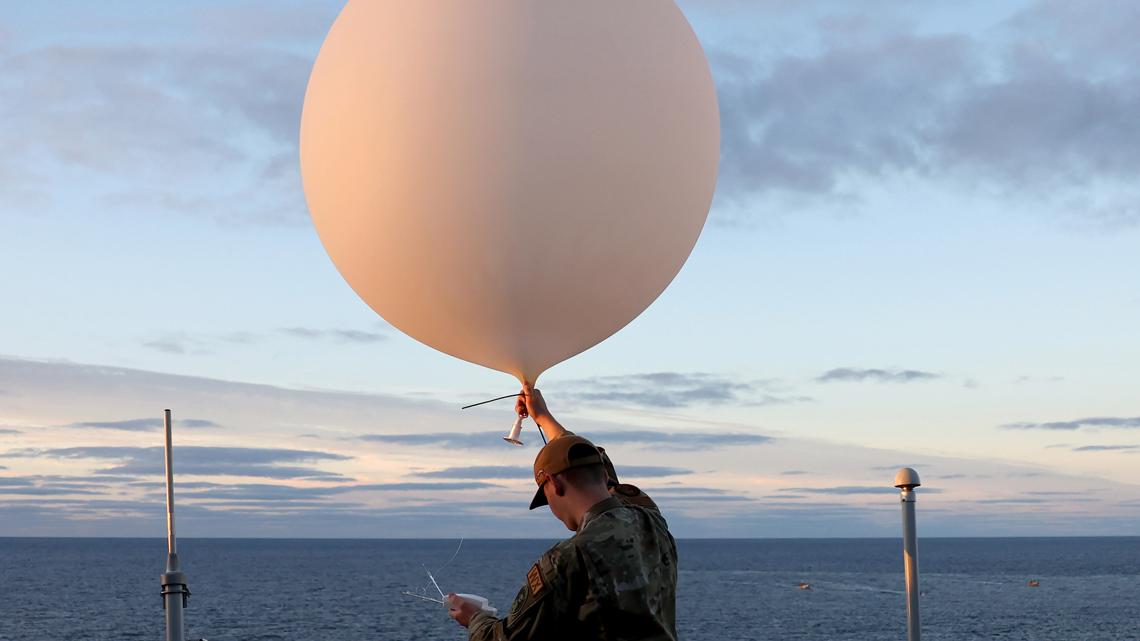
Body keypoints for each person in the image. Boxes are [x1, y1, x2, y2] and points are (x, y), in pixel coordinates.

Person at [447, 386, 678, 641]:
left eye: (545, 497)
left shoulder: (568, 559)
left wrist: (475, 618)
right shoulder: (651, 519)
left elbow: (506, 639)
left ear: (555, 485)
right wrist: (543, 417)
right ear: (603, 476)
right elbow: (599, 465)